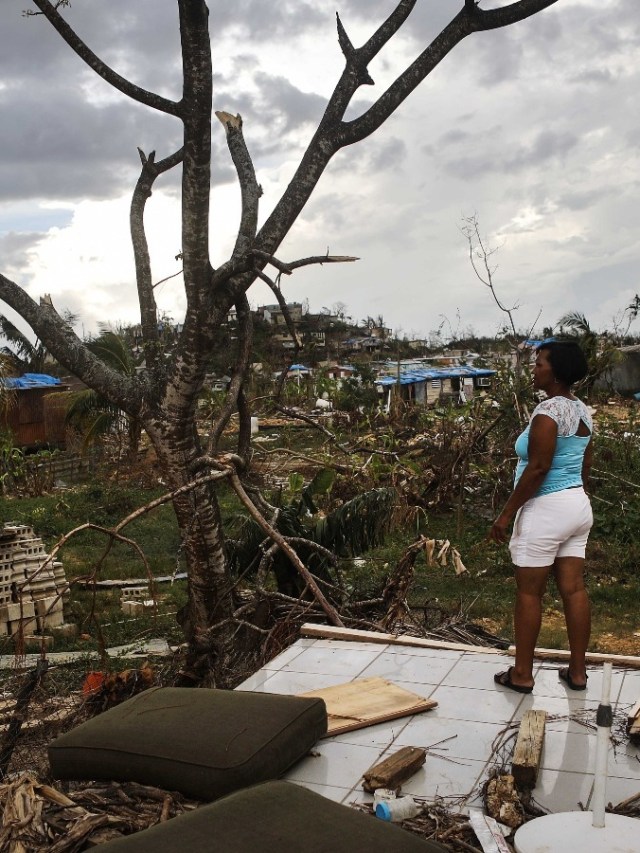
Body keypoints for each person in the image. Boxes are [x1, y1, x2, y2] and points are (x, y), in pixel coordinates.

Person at [490, 340, 593, 693]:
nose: (534, 370)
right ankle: (577, 673)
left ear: (556, 371)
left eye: (539, 364)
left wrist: (506, 515)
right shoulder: (583, 411)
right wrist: (575, 501)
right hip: (577, 505)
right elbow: (584, 464)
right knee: (574, 588)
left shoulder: (549, 411)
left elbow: (537, 468)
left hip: (546, 508)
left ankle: (521, 674)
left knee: (529, 593)